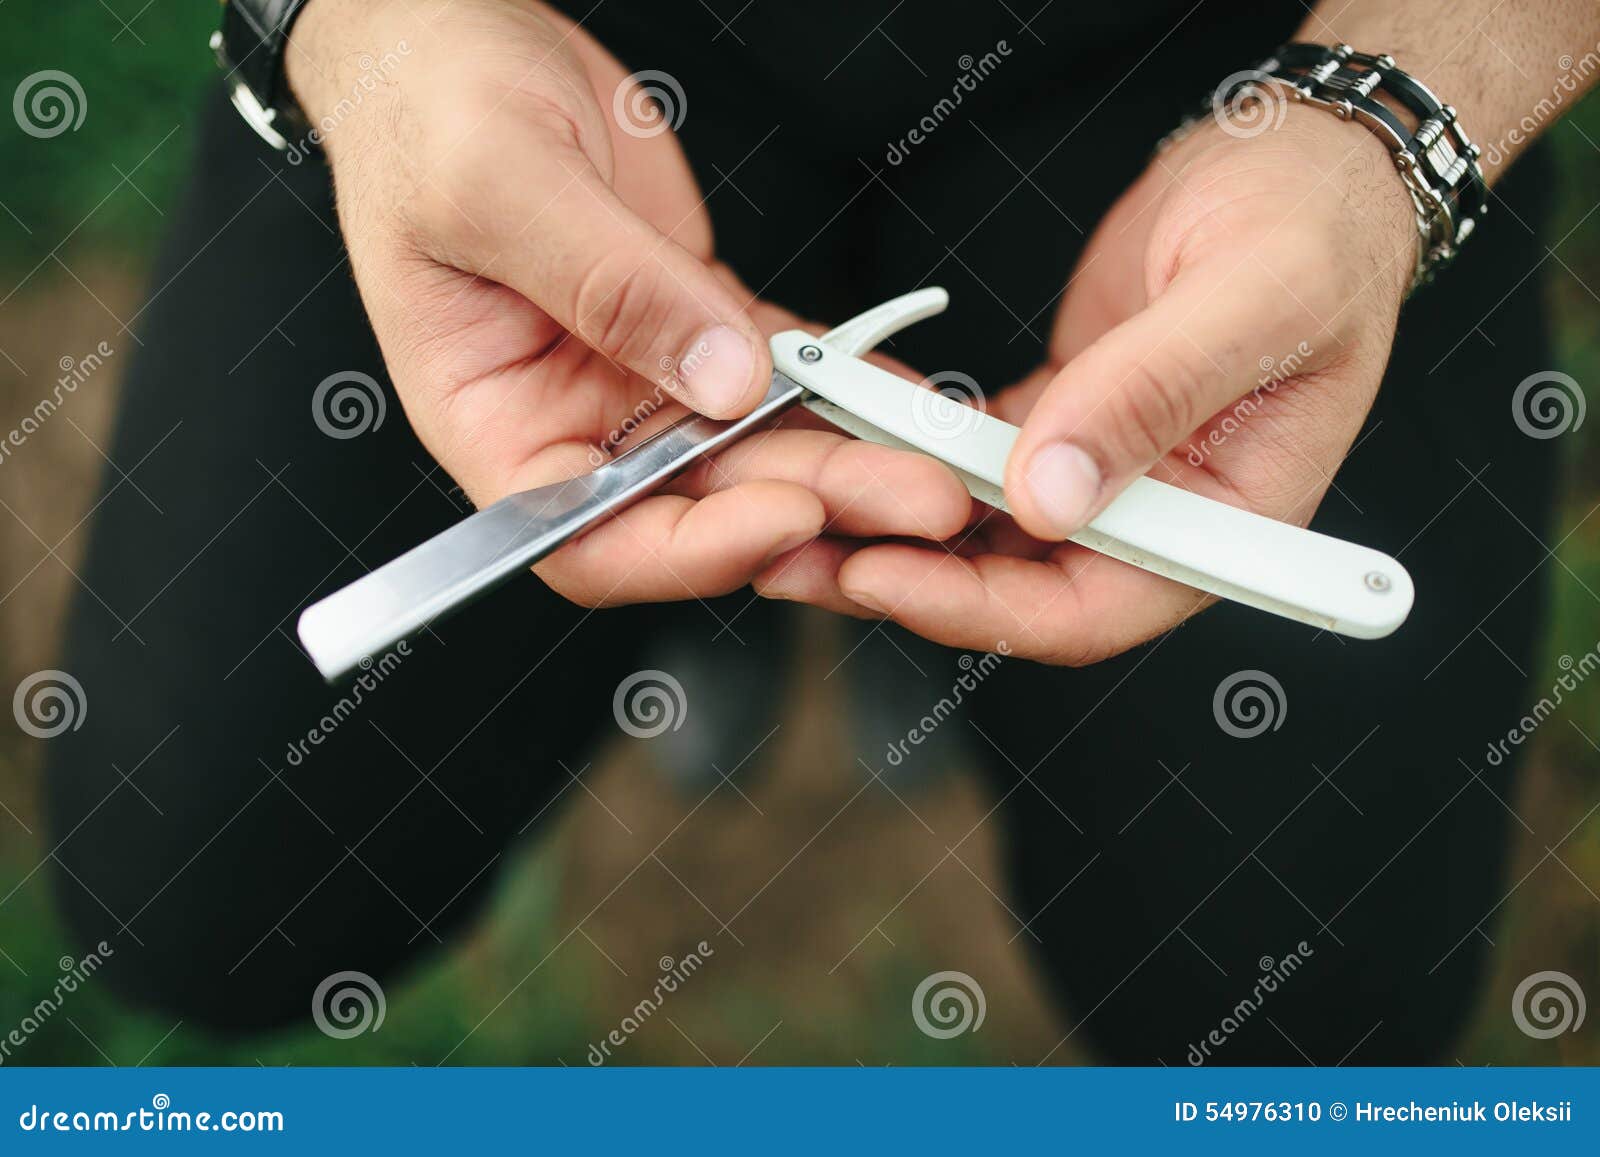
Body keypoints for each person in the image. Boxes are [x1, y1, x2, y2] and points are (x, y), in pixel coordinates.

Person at [43, 0, 1599, 1062]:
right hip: (540, 55)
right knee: (199, 898)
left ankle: (873, 596)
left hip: (1234, 70)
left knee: (1302, 1016)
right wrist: (350, 27)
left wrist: (1392, 122)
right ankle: (744, 588)